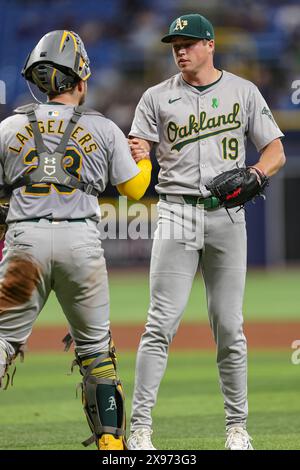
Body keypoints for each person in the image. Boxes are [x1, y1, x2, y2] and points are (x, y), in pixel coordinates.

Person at [127, 13, 286, 450]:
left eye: (189, 43)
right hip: (176, 211)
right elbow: (137, 150)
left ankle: (237, 428)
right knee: (159, 326)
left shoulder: (242, 91)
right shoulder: (155, 97)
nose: (180, 50)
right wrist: (136, 149)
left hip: (227, 216)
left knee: (230, 326)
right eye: (175, 44)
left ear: (210, 44)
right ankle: (139, 430)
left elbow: (275, 150)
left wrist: (256, 172)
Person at [0, 30, 152, 451]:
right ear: (80, 80)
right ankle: (111, 448)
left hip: (24, 243)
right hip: (81, 242)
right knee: (96, 350)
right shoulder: (101, 127)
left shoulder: (9, 126)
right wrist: (146, 160)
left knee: (3, 340)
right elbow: (135, 190)